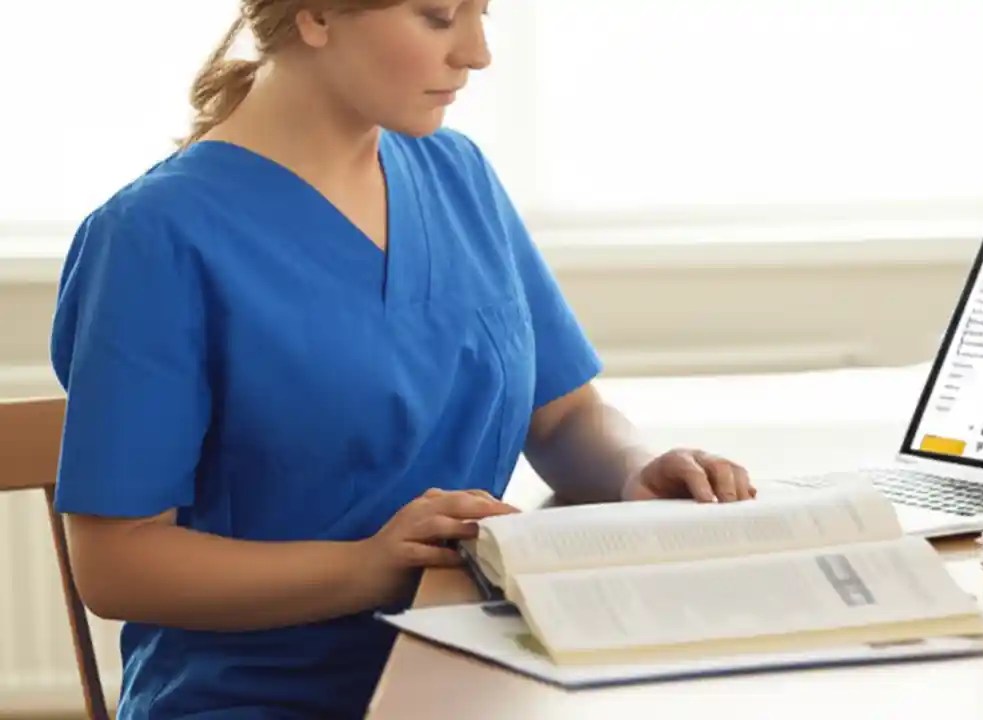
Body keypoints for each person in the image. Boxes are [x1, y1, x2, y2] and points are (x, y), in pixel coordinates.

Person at [49, 1, 755, 717]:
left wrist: (637, 469)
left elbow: (565, 413)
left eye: (483, 13)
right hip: (263, 697)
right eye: (439, 16)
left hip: (484, 667)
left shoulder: (458, 174)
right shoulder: (151, 237)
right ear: (316, 16)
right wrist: (368, 567)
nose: (477, 53)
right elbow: (118, 566)